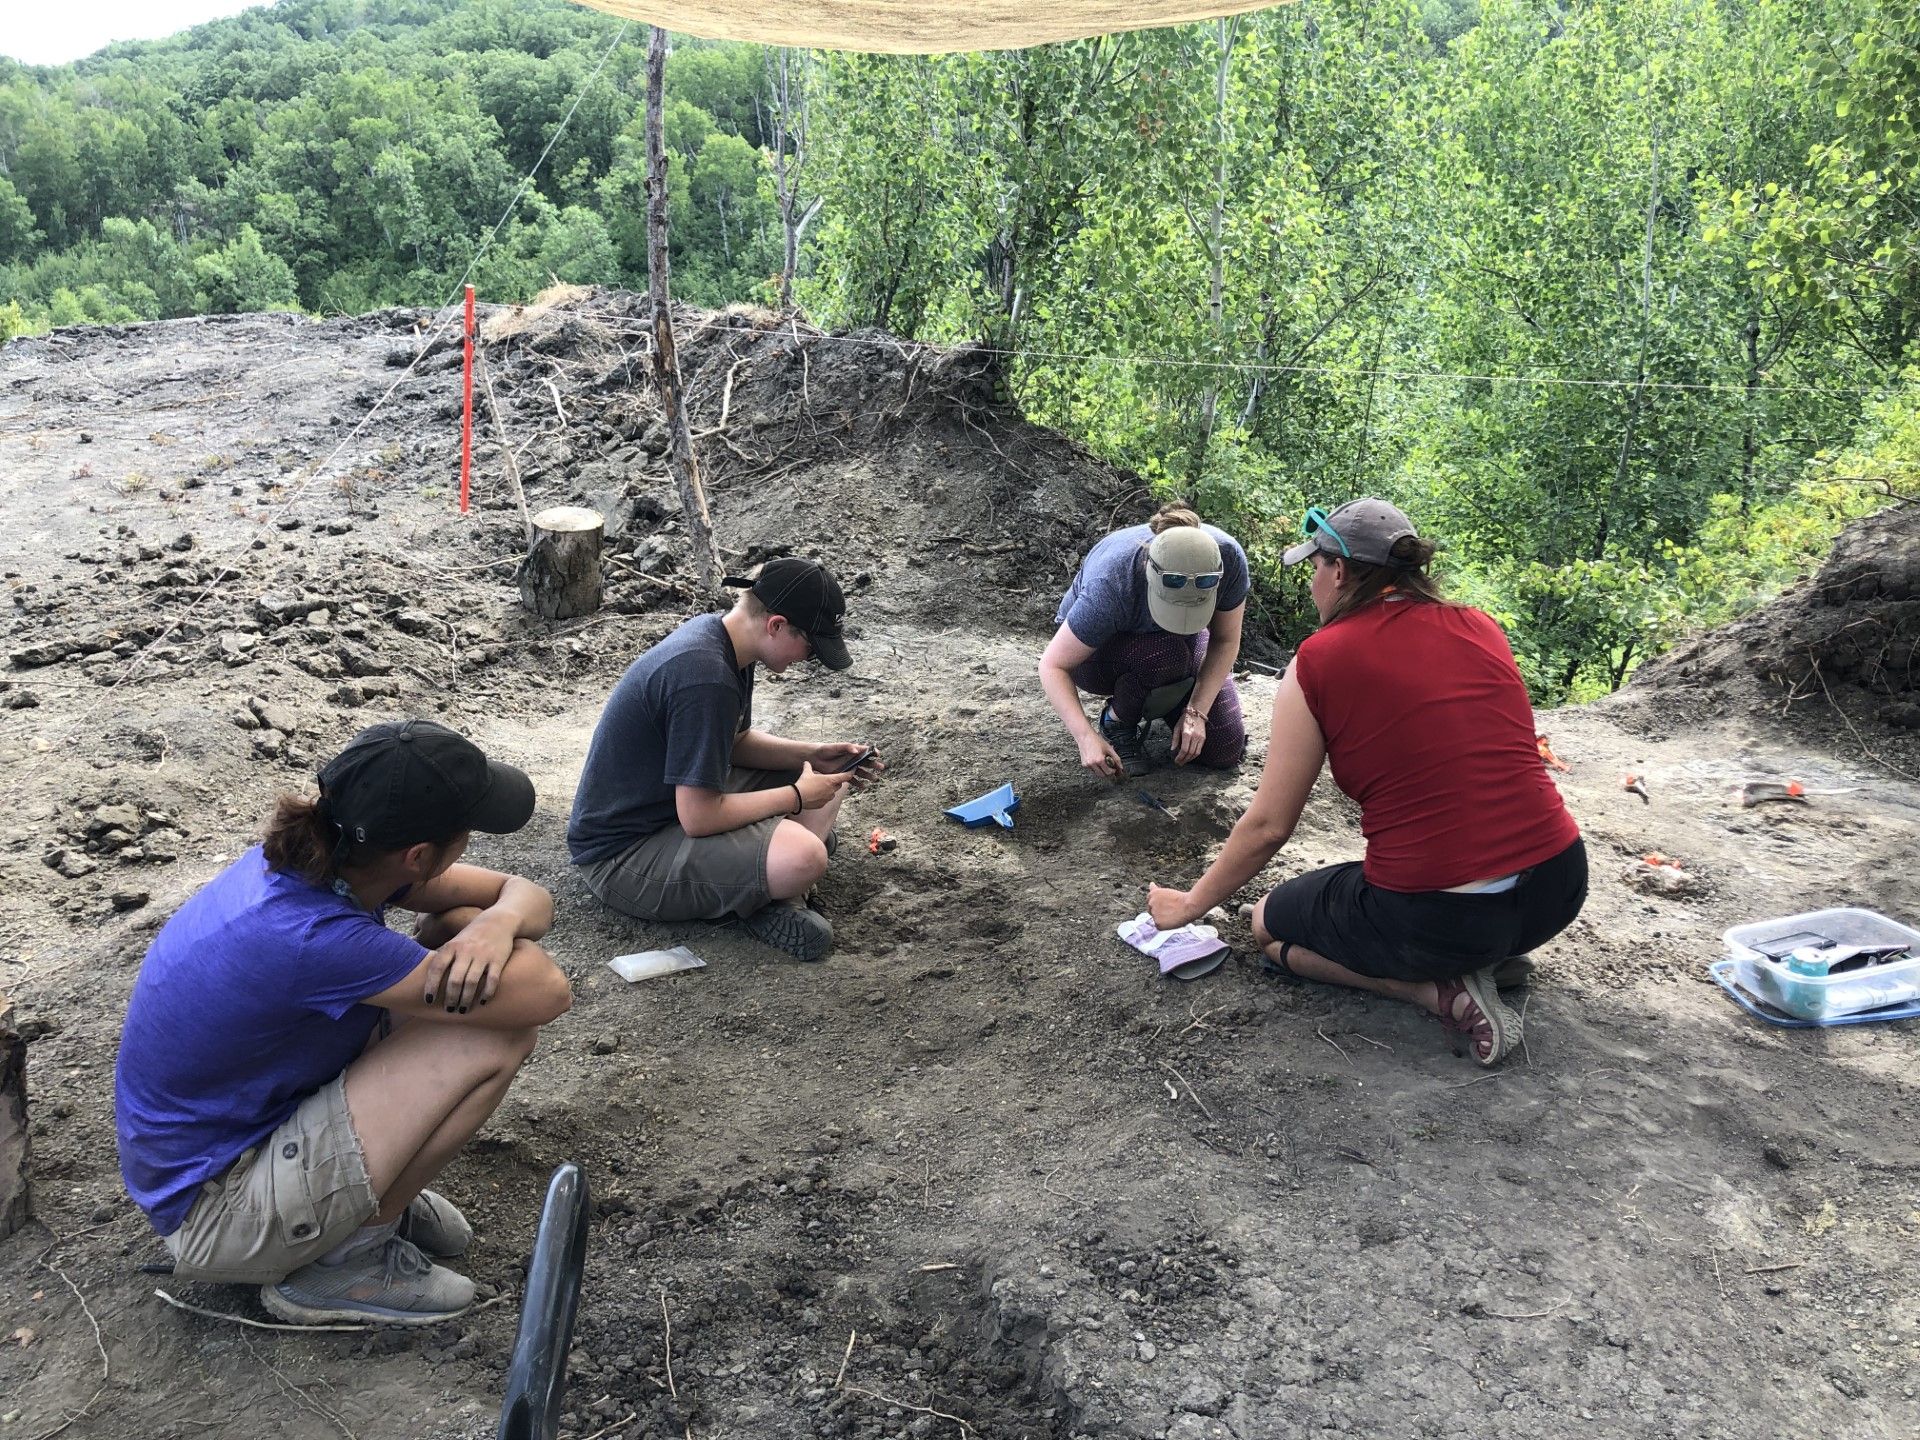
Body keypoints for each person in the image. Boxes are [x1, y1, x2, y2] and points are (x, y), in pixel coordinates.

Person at [115, 720, 571, 1325]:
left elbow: (524, 893)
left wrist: (491, 923)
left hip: (223, 1153)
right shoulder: (315, 938)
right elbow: (546, 990)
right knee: (492, 1033)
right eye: (466, 831)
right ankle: (348, 1262)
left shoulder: (323, 860)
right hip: (218, 1212)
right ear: (420, 856)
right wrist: (482, 924)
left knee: (445, 964)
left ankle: (359, 1202)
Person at [1146, 498, 1586, 1066]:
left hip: (1443, 915)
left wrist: (1187, 906)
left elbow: (1269, 825)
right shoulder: (1480, 624)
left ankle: (1440, 993)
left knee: (1268, 929)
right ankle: (1488, 954)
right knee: (1447, 904)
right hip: (1557, 888)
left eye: (1314, 566)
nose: (1311, 582)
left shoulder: (1321, 658)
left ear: (1341, 572)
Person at [569, 557, 878, 962]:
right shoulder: (705, 677)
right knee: (807, 856)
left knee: (827, 773)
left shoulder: (722, 639)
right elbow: (700, 818)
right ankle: (767, 892)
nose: (810, 658)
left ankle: (767, 882)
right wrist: (797, 798)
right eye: (811, 646)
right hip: (623, 857)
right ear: (777, 625)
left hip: (667, 812)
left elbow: (733, 742)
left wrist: (814, 754)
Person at [1039, 504, 1251, 779]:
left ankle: (1167, 697)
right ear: (1149, 573)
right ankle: (1117, 722)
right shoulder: (1115, 581)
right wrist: (1085, 737)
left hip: (1177, 647)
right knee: (1166, 655)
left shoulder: (1228, 559)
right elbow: (1052, 665)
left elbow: (1224, 640)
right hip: (1097, 654)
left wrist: (1196, 712)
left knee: (1223, 749)